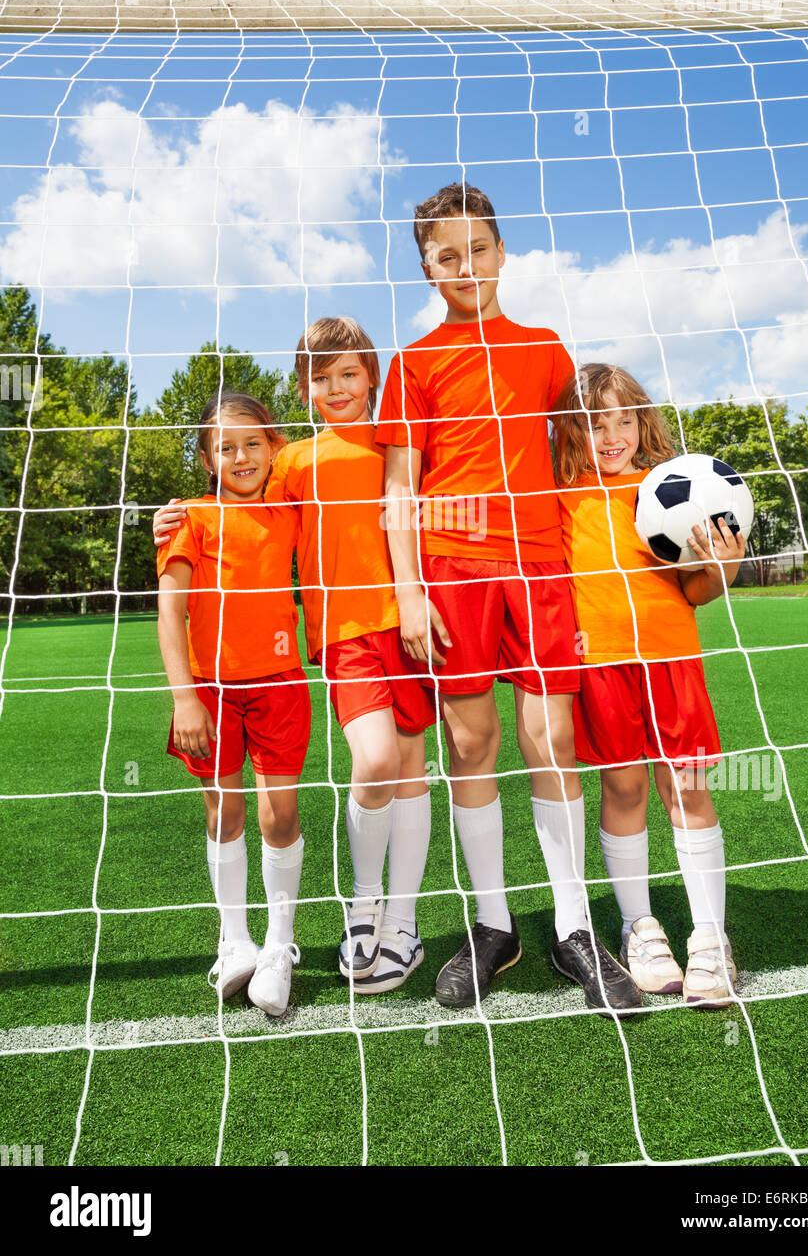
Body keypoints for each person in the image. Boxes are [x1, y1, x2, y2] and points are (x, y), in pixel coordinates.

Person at [377, 182, 640, 1013]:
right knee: (471, 740)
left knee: (551, 737)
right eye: (446, 256)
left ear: (502, 252)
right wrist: (410, 591)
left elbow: (580, 458)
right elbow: (399, 490)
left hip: (541, 567)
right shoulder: (414, 361)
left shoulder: (545, 349)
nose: (466, 267)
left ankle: (572, 928)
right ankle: (494, 926)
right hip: (452, 571)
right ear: (426, 268)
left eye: (478, 250)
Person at [153, 320, 436, 996]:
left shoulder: (406, 439)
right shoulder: (292, 462)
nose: (336, 388)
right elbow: (234, 484)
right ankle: (350, 908)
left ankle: (402, 923)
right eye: (320, 377)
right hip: (343, 634)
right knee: (372, 761)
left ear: (372, 372)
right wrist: (170, 515)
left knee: (410, 768)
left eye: (348, 373)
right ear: (304, 389)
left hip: (417, 624)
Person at [553, 363, 747, 1006]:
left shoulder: (676, 488)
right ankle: (642, 929)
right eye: (593, 422)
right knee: (625, 786)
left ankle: (711, 939)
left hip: (670, 661)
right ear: (573, 431)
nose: (611, 435)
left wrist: (723, 567)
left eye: (623, 420)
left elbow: (694, 590)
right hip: (601, 666)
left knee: (685, 787)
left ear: (643, 423)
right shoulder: (564, 496)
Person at [157, 393, 310, 1018]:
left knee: (279, 815)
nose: (241, 456)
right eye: (226, 447)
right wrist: (184, 698)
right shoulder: (189, 517)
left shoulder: (292, 509)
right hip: (209, 693)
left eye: (253, 443)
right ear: (206, 457)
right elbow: (169, 612)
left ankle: (278, 943)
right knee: (224, 813)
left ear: (273, 446)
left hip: (278, 684)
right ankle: (235, 938)